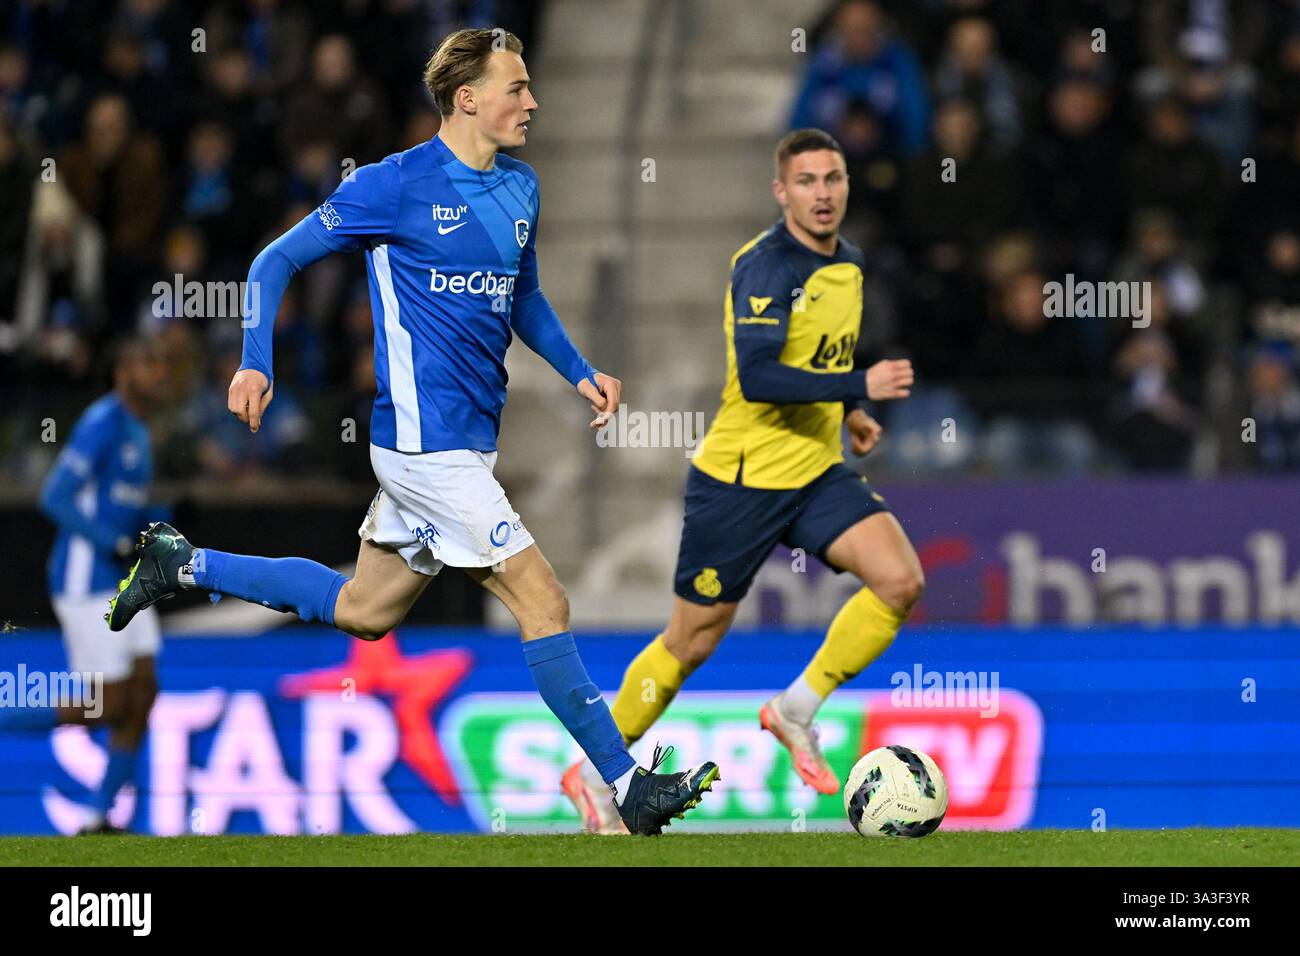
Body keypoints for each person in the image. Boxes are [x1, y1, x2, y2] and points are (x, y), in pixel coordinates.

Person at [105, 28, 719, 836]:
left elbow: (522, 297)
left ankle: (182, 562)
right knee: (545, 599)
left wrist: (577, 370)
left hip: (467, 446)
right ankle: (626, 784)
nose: (532, 102)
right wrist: (258, 361)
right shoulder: (391, 187)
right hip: (422, 450)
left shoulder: (522, 188)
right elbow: (272, 263)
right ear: (467, 98)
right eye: (517, 88)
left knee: (365, 609)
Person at [562, 130, 923, 833]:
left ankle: (796, 709)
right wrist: (862, 383)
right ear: (780, 192)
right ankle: (597, 772)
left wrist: (848, 412)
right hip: (740, 481)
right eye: (807, 181)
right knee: (690, 642)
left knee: (900, 581)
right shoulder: (763, 267)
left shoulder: (848, 264)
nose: (823, 193)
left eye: (834, 178)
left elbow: (814, 355)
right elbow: (758, 377)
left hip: (815, 471)